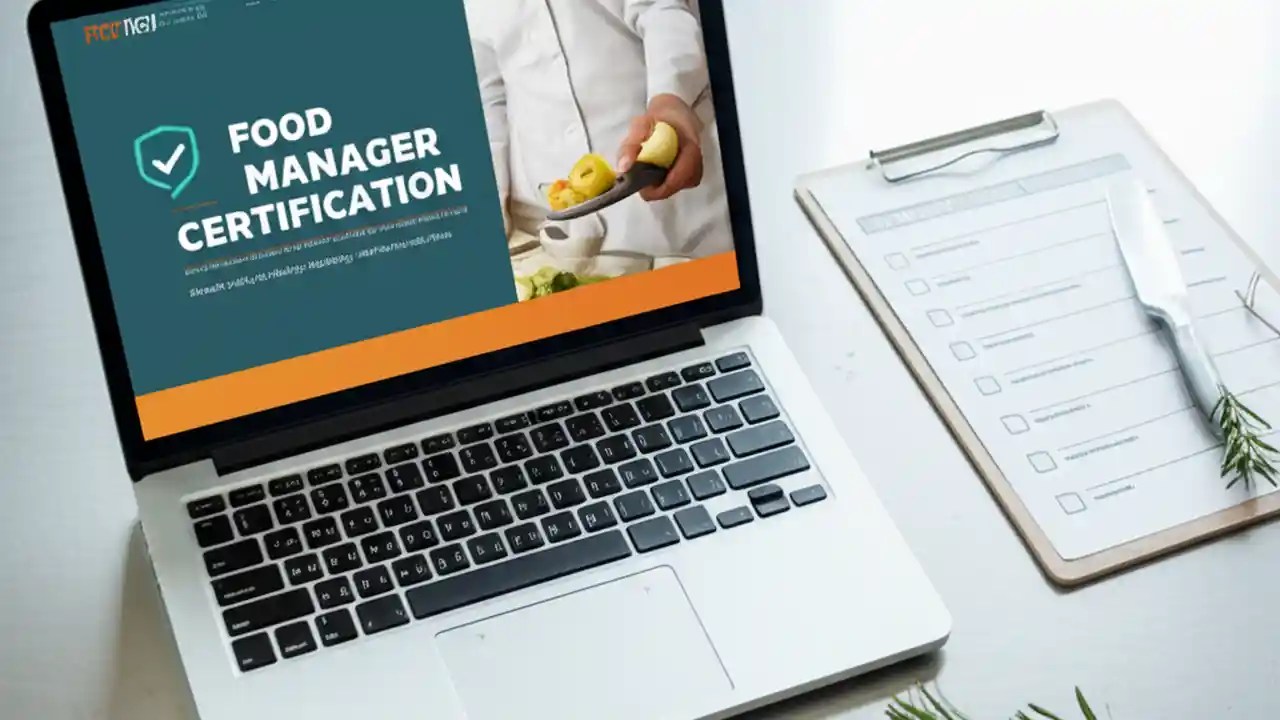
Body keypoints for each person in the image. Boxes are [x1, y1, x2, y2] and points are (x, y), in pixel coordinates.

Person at [465, 0, 734, 269]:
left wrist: (671, 98)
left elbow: (661, 12)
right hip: (560, 241)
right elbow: (486, 96)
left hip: (678, 218)